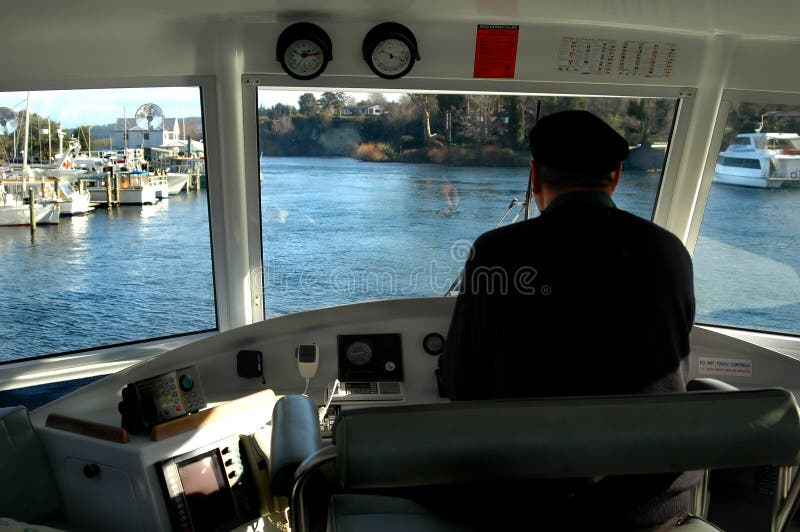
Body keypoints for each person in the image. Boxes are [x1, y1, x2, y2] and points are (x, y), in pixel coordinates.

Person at [439, 110, 698, 531]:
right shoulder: (669, 251)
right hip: (652, 508)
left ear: (534, 176)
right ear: (615, 174)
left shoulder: (498, 253)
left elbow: (462, 385)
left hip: (532, 506)